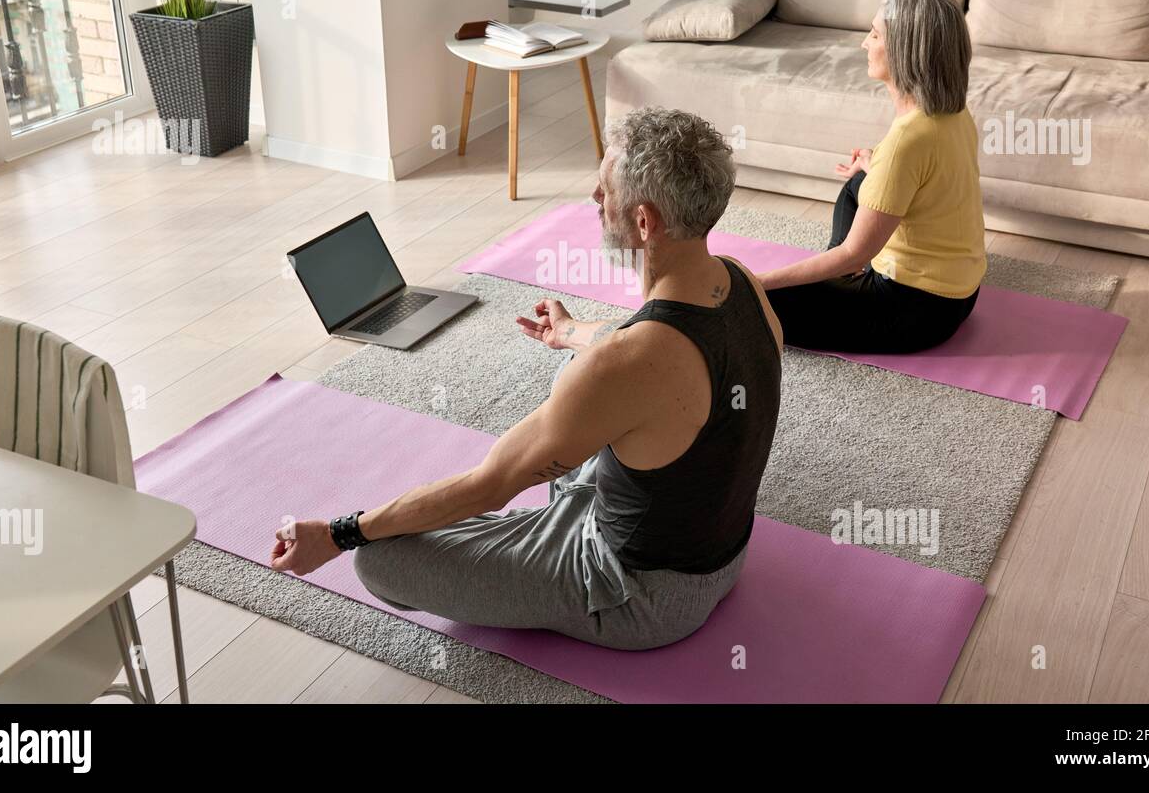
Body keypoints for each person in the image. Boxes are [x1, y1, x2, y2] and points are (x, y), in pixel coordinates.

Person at [269, 107, 784, 651]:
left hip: (639, 593)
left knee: (381, 560)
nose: (593, 197)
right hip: (723, 554)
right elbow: (649, 347)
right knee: (581, 375)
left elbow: (490, 486)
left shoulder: (625, 363)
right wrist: (570, 333)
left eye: (604, 187)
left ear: (644, 222)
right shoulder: (739, 281)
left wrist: (337, 533)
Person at [758, 0, 986, 354]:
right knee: (858, 184)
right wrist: (874, 165)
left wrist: (758, 282)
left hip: (916, 310)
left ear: (904, 51)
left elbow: (855, 254)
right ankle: (839, 280)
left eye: (876, 34)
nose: (865, 43)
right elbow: (930, 177)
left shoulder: (907, 140)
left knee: (760, 306)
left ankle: (835, 279)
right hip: (961, 295)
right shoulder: (953, 114)